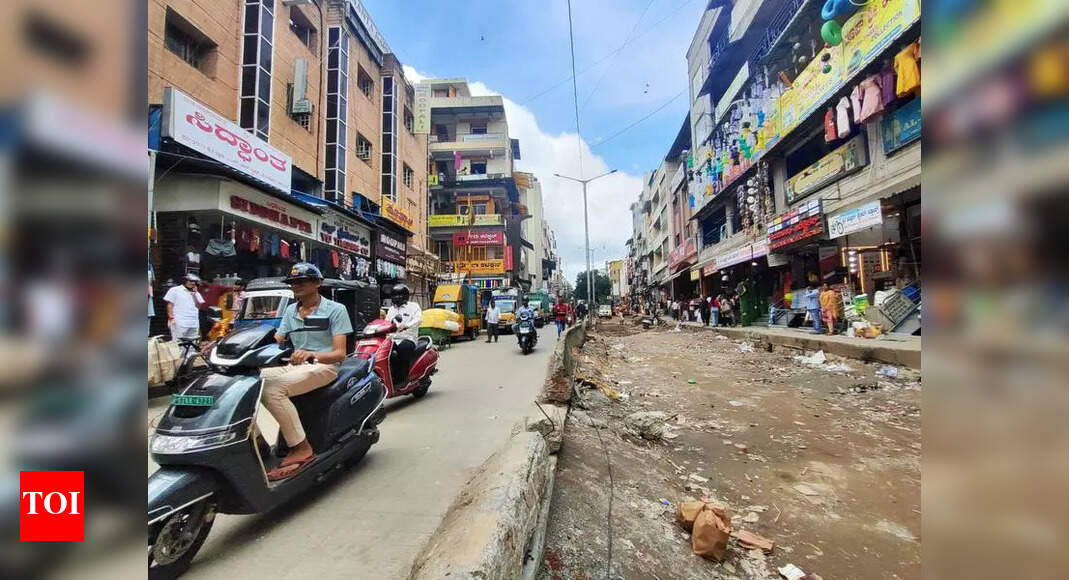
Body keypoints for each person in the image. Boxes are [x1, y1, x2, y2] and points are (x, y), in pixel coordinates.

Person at [260, 263, 353, 481]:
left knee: (272, 390)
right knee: (247, 382)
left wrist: (312, 354)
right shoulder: (291, 311)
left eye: (301, 281)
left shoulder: (335, 310)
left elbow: (339, 354)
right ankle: (257, 443)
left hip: (324, 366)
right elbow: (276, 340)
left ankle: (301, 447)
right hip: (295, 366)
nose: (296, 286)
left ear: (317, 283)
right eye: (293, 282)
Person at [164, 273, 205, 342]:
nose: (192, 283)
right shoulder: (175, 290)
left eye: (194, 282)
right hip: (179, 322)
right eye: (190, 281)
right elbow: (170, 305)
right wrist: (171, 317)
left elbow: (199, 306)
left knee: (192, 344)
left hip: (193, 323)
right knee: (178, 343)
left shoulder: (196, 293)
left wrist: (194, 295)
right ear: (185, 281)